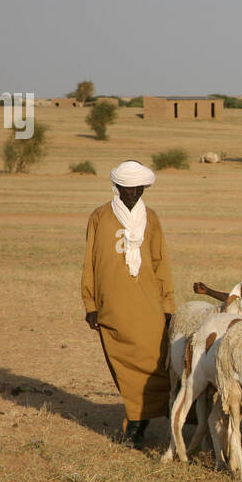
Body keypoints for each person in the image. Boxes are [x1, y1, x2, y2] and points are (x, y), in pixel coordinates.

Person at [82, 160, 176, 447]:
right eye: (128, 188)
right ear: (117, 187)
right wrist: (90, 304)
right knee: (124, 367)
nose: (134, 193)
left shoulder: (152, 219)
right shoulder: (100, 217)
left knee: (155, 363)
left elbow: (161, 263)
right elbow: (90, 263)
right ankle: (136, 424)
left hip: (148, 304)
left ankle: (155, 420)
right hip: (112, 305)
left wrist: (168, 305)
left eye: (139, 188)